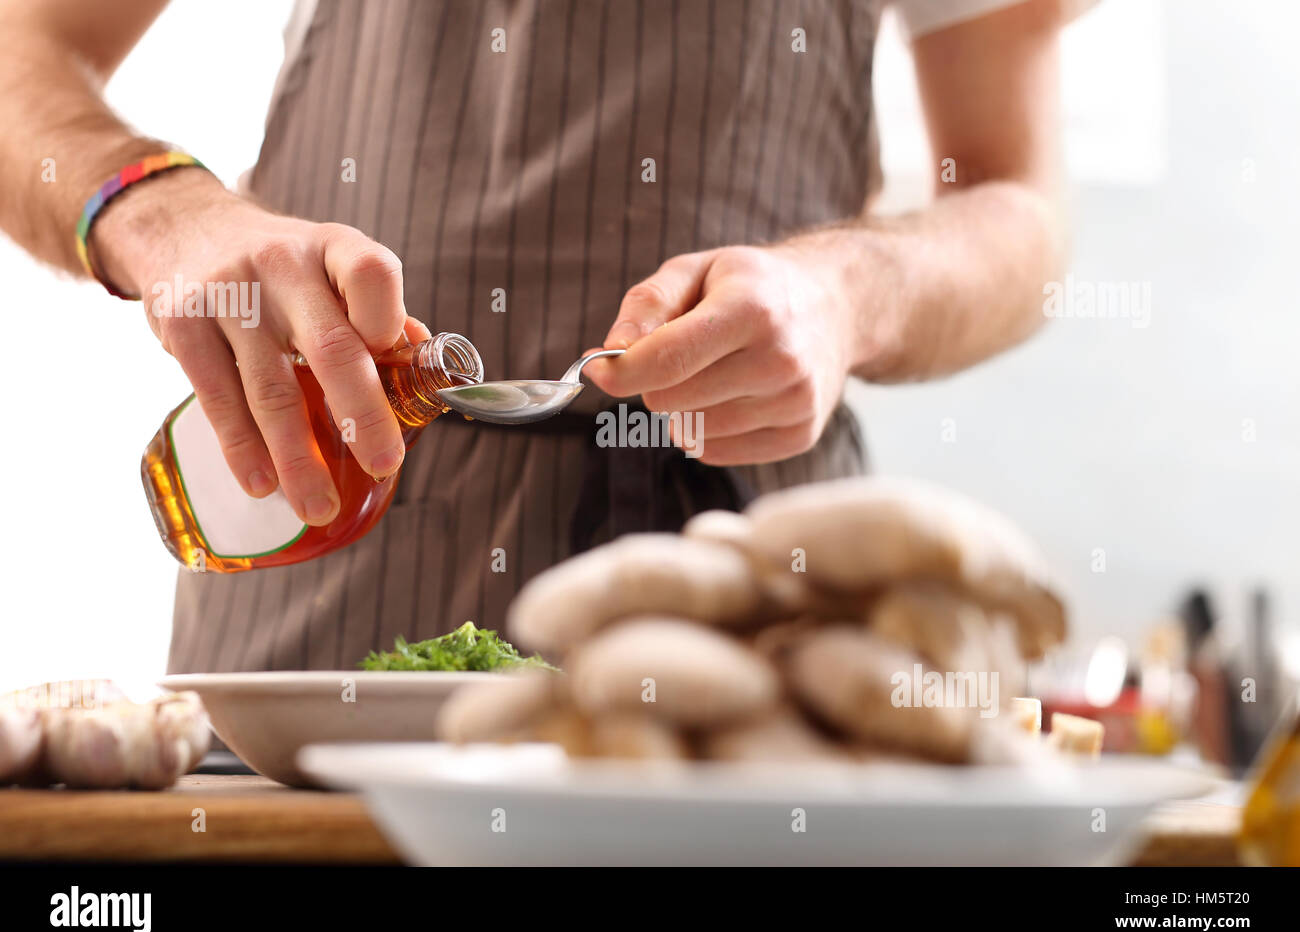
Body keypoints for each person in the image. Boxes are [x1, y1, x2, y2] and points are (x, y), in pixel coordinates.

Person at [0, 0, 1094, 672]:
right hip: (319, 600)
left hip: (757, 593)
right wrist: (165, 215)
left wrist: (851, 292)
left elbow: (1019, 204)